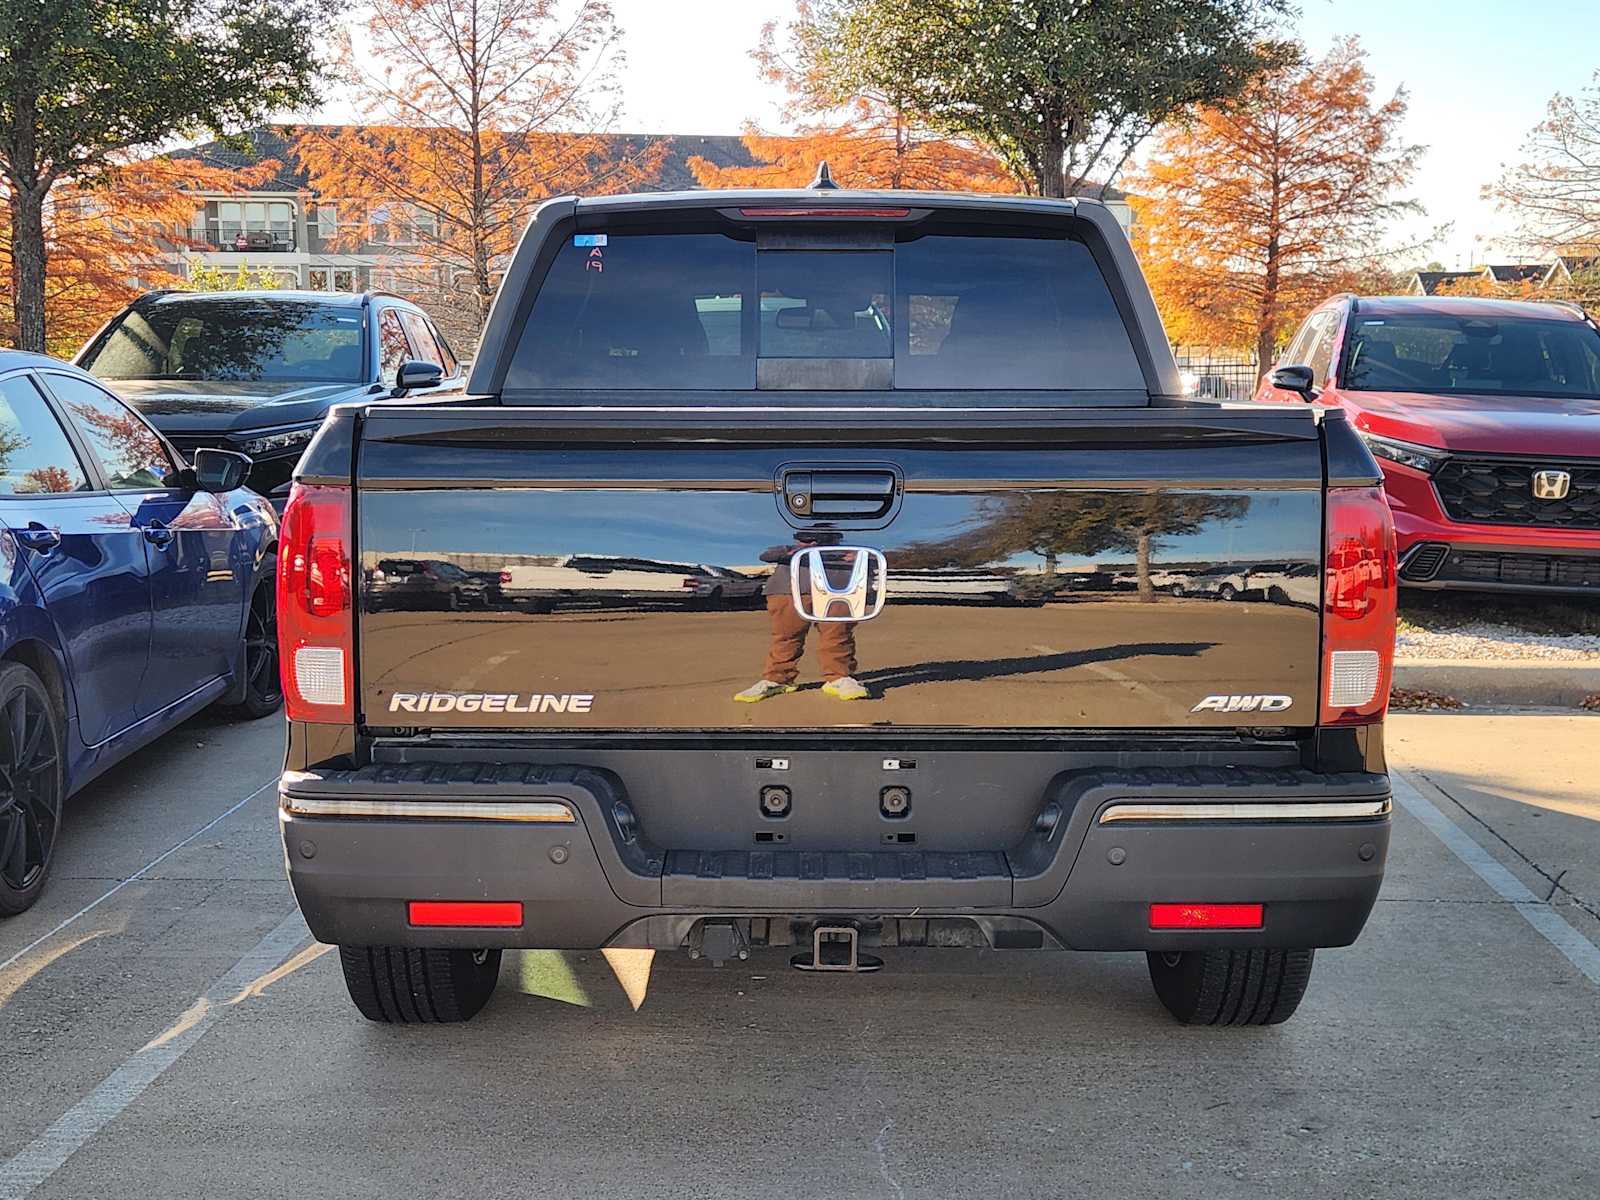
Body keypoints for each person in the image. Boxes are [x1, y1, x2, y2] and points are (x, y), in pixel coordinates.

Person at [734, 532, 869, 702]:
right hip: (787, 591)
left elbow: (874, 560)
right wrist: (795, 550)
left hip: (836, 591)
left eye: (822, 538)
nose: (813, 542)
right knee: (786, 637)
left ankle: (839, 678)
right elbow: (766, 555)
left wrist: (856, 556)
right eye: (805, 538)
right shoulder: (788, 550)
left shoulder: (846, 551)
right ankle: (777, 680)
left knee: (838, 636)